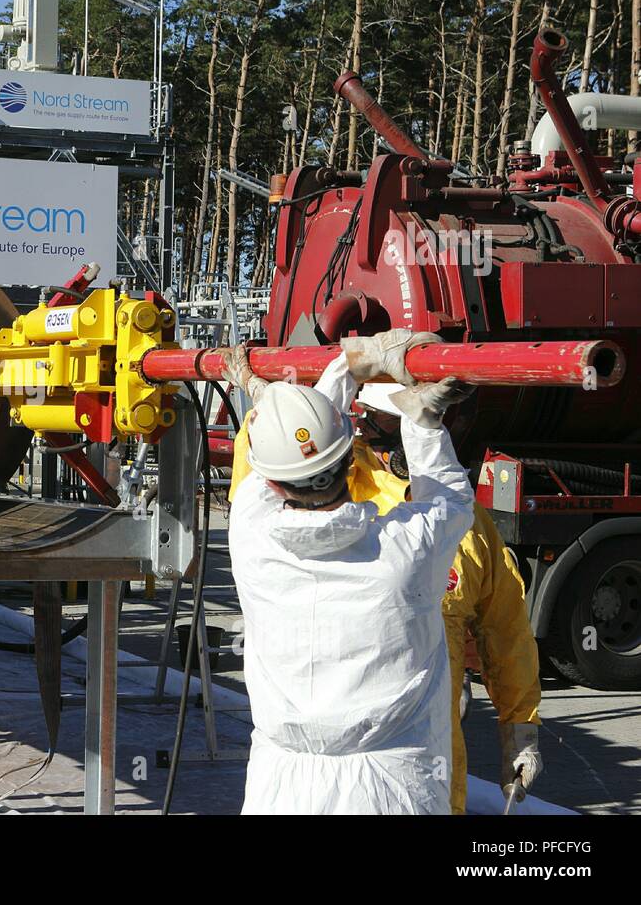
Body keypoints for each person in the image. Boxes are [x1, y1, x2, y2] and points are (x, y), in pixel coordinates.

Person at [222, 330, 474, 813]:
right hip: (393, 786)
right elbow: (452, 500)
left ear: (273, 482)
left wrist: (345, 369)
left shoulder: (250, 535)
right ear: (350, 455)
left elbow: (283, 462)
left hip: (282, 785)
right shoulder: (403, 548)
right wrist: (418, 420)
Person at [354, 384, 542, 813]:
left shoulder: (466, 523)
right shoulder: (339, 501)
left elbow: (507, 631)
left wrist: (520, 732)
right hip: (354, 766)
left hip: (434, 770)